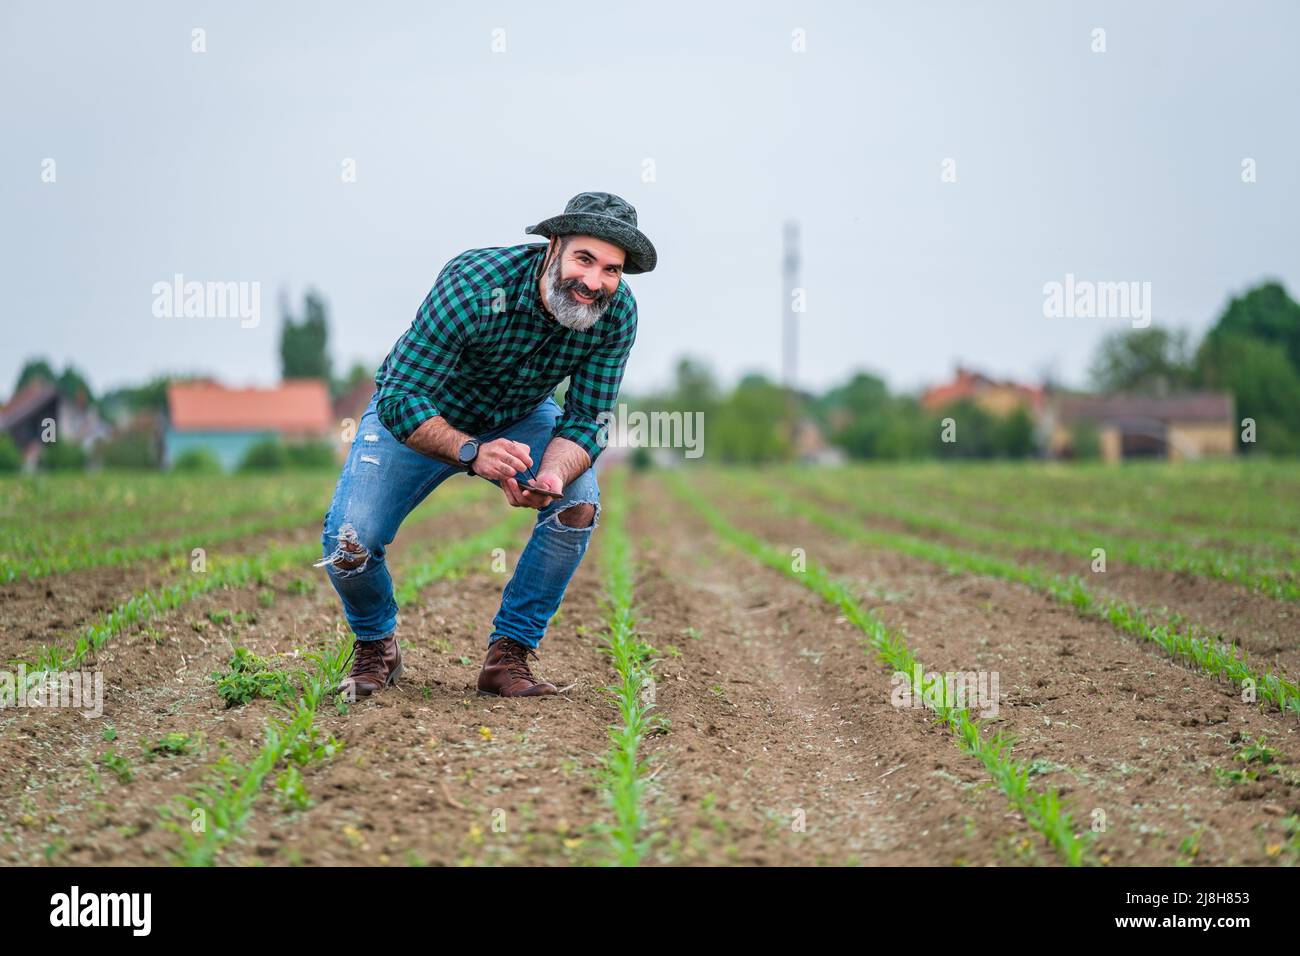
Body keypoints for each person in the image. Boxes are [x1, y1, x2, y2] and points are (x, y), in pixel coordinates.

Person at [318, 191, 656, 699]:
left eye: (611, 269)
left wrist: (554, 474)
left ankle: (509, 657)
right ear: (554, 247)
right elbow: (401, 396)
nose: (593, 282)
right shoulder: (476, 285)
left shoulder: (617, 315)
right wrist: (475, 454)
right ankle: (375, 644)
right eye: (584, 259)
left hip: (522, 413)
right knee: (351, 542)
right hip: (422, 411)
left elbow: (587, 419)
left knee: (578, 504)